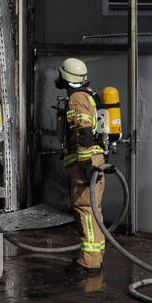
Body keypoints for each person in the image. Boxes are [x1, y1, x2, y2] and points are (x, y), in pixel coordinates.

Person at [56, 57, 107, 271]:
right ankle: (97, 254)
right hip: (97, 157)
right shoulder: (90, 95)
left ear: (67, 77)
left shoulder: (77, 98)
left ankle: (89, 262)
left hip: (86, 160)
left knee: (84, 209)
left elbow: (84, 131)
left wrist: (85, 164)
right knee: (94, 209)